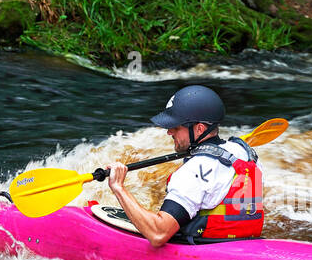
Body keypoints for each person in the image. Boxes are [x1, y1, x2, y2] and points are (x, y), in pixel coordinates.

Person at [106, 85, 264, 248]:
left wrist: (118, 187)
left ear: (199, 128)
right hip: (246, 244)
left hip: (206, 250)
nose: (169, 132)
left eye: (175, 126)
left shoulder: (193, 171)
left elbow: (158, 234)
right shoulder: (244, 152)